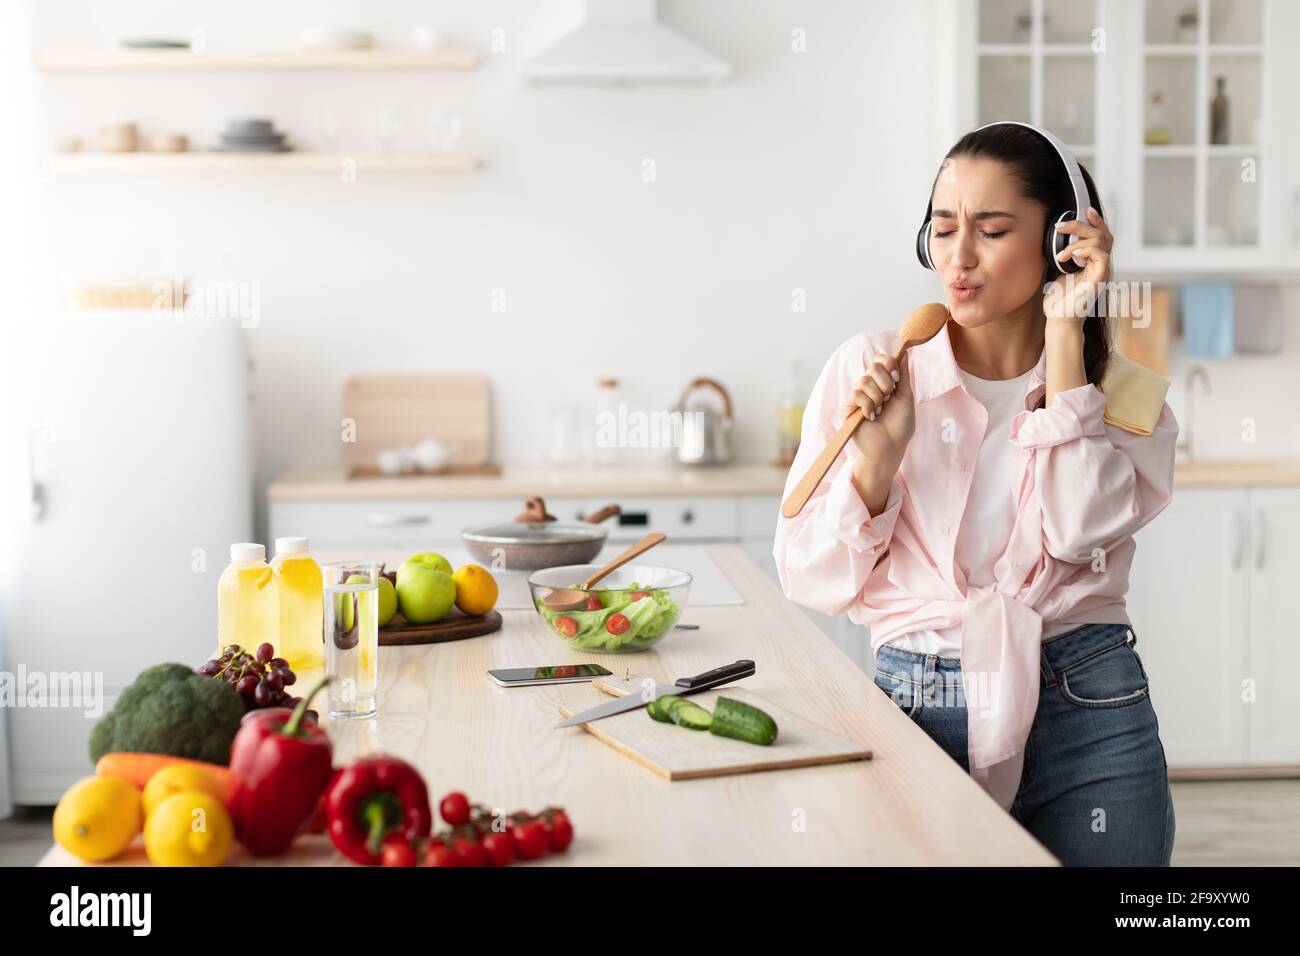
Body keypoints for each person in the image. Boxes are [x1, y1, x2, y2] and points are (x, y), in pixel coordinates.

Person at [773, 122, 1179, 866]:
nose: (957, 258)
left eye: (991, 230)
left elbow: (1078, 530)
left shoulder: (1124, 396)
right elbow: (807, 574)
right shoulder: (875, 367)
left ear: (1064, 244)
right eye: (944, 227)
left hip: (1089, 704)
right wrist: (876, 464)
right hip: (919, 705)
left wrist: (1066, 347)